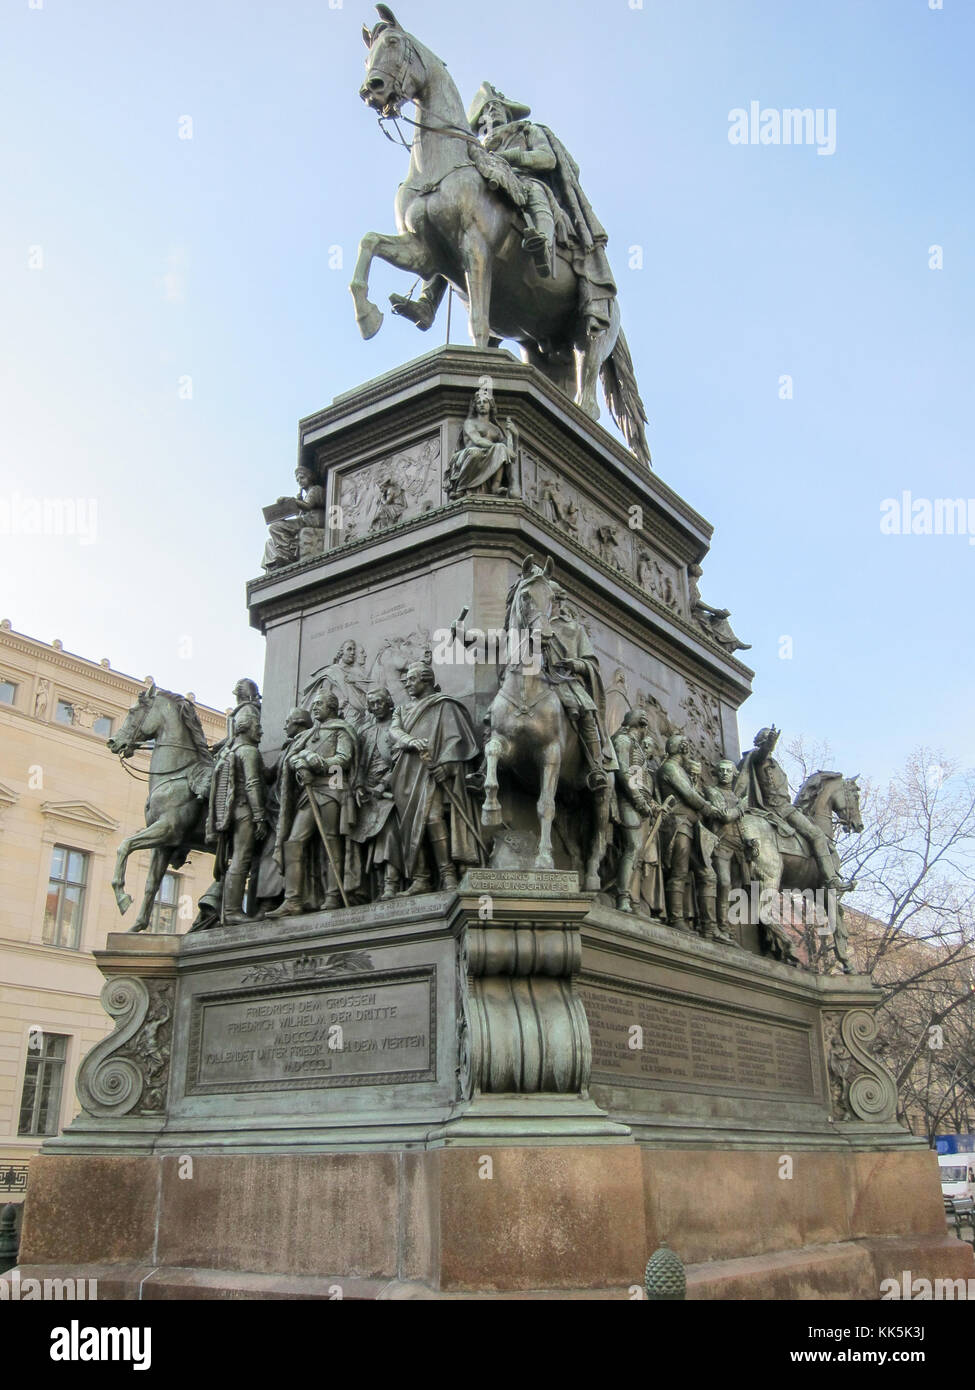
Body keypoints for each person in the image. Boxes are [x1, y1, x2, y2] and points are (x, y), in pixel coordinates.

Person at [390, 83, 616, 339]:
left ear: (507, 111)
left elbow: (547, 159)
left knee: (535, 193)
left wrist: (511, 158)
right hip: (489, 189)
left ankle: (543, 243)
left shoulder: (527, 130)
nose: (492, 114)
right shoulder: (475, 146)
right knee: (450, 227)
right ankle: (427, 302)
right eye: (486, 111)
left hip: (523, 179)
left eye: (496, 107)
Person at [388, 661, 481, 892]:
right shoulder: (401, 709)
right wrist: (410, 741)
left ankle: (447, 874)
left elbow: (455, 738)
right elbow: (394, 730)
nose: (407, 684)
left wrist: (447, 766)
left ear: (426, 680)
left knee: (432, 818)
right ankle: (421, 878)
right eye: (406, 680)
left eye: (412, 679)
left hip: (431, 771)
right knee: (408, 824)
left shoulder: (445, 705)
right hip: (406, 772)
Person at [268, 691, 358, 915]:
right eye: (314, 704)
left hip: (332, 790)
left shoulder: (341, 730)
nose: (315, 708)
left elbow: (344, 760)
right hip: (308, 795)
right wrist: (302, 761)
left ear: (332, 707)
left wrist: (320, 764)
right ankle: (293, 900)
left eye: (320, 704)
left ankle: (333, 895)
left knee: (331, 842)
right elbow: (292, 756)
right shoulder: (307, 735)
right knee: (293, 842)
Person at [735, 727, 853, 893]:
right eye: (769, 740)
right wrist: (768, 744)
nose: (773, 745)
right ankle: (831, 880)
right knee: (818, 835)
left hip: (785, 807)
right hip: (781, 809)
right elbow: (762, 753)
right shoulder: (759, 758)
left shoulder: (772, 764)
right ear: (764, 742)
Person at [657, 734, 738, 940]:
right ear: (683, 750)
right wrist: (709, 808)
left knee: (708, 875)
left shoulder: (682, 771)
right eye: (688, 751)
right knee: (679, 872)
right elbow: (689, 796)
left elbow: (693, 792)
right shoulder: (670, 768)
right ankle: (676, 919)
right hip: (678, 824)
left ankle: (709, 928)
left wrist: (694, 778)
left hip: (693, 827)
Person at [205, 706, 267, 925]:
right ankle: (231, 911)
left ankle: (229, 910)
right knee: (242, 859)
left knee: (237, 859)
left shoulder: (231, 752)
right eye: (258, 727)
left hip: (232, 812)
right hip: (245, 812)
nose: (260, 731)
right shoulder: (249, 751)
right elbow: (253, 784)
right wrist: (259, 816)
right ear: (246, 728)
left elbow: (264, 775)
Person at [252, 706, 313, 914]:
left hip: (294, 807)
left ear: (300, 724)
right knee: (270, 852)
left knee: (282, 850)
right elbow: (271, 775)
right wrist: (254, 759)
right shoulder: (288, 747)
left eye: (288, 722)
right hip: (275, 809)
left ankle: (281, 899)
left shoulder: (308, 741)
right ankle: (269, 901)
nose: (285, 725)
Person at [350, 687, 405, 899]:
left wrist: (383, 786)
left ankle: (390, 883)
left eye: (379, 702)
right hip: (367, 795)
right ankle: (366, 890)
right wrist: (358, 786)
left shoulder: (398, 727)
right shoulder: (364, 732)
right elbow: (357, 765)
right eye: (371, 704)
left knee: (389, 832)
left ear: (389, 702)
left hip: (393, 792)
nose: (375, 707)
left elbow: (402, 762)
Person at [610, 710, 664, 914]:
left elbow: (638, 778)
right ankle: (622, 896)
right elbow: (624, 772)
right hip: (627, 800)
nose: (646, 731)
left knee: (637, 850)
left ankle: (630, 897)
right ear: (640, 726)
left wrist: (651, 802)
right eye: (645, 726)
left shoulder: (636, 746)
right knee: (633, 846)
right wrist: (639, 800)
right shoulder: (624, 741)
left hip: (639, 802)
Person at [444, 380, 518, 498]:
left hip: (489, 456)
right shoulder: (470, 423)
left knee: (501, 449)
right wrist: (498, 447)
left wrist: (515, 435)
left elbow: (510, 452)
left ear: (491, 406)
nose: (482, 404)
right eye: (479, 402)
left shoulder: (496, 429)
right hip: (469, 455)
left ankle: (495, 486)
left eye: (485, 402)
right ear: (475, 406)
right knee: (477, 452)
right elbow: (477, 440)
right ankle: (460, 488)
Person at [262, 465, 326, 569]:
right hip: (305, 520)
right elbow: (302, 511)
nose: (300, 481)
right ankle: (276, 559)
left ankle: (289, 554)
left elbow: (308, 506)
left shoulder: (315, 489)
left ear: (309, 477)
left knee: (275, 527)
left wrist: (292, 501)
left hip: (313, 521)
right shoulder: (306, 495)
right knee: (270, 541)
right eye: (297, 480)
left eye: (302, 477)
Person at [301, 639, 372, 728]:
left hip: (360, 718)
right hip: (342, 718)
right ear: (341, 652)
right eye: (349, 649)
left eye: (354, 650)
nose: (353, 652)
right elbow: (323, 699)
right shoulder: (332, 672)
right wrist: (339, 705)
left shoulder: (357, 673)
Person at [688, 564, 751, 654]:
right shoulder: (690, 582)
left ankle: (733, 642)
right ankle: (732, 643)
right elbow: (694, 602)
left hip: (698, 612)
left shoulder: (692, 583)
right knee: (719, 618)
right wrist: (714, 611)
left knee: (721, 618)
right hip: (695, 613)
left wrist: (716, 612)